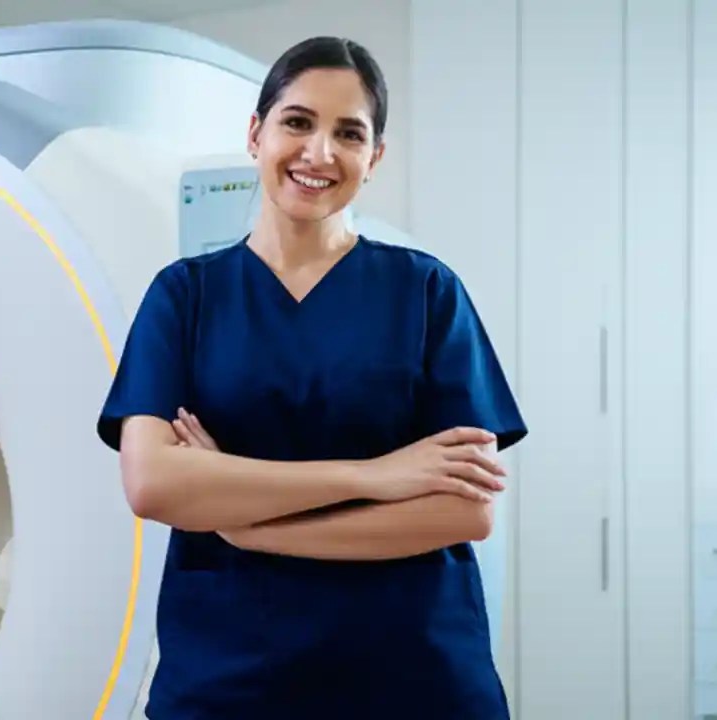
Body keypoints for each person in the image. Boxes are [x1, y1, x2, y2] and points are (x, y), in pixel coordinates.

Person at [96, 34, 528, 720]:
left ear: (374, 158)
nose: (318, 152)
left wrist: (248, 526)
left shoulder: (426, 292)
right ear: (255, 134)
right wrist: (373, 477)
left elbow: (463, 510)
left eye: (348, 133)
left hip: (412, 680)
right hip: (228, 682)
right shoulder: (185, 297)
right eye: (297, 122)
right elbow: (153, 484)